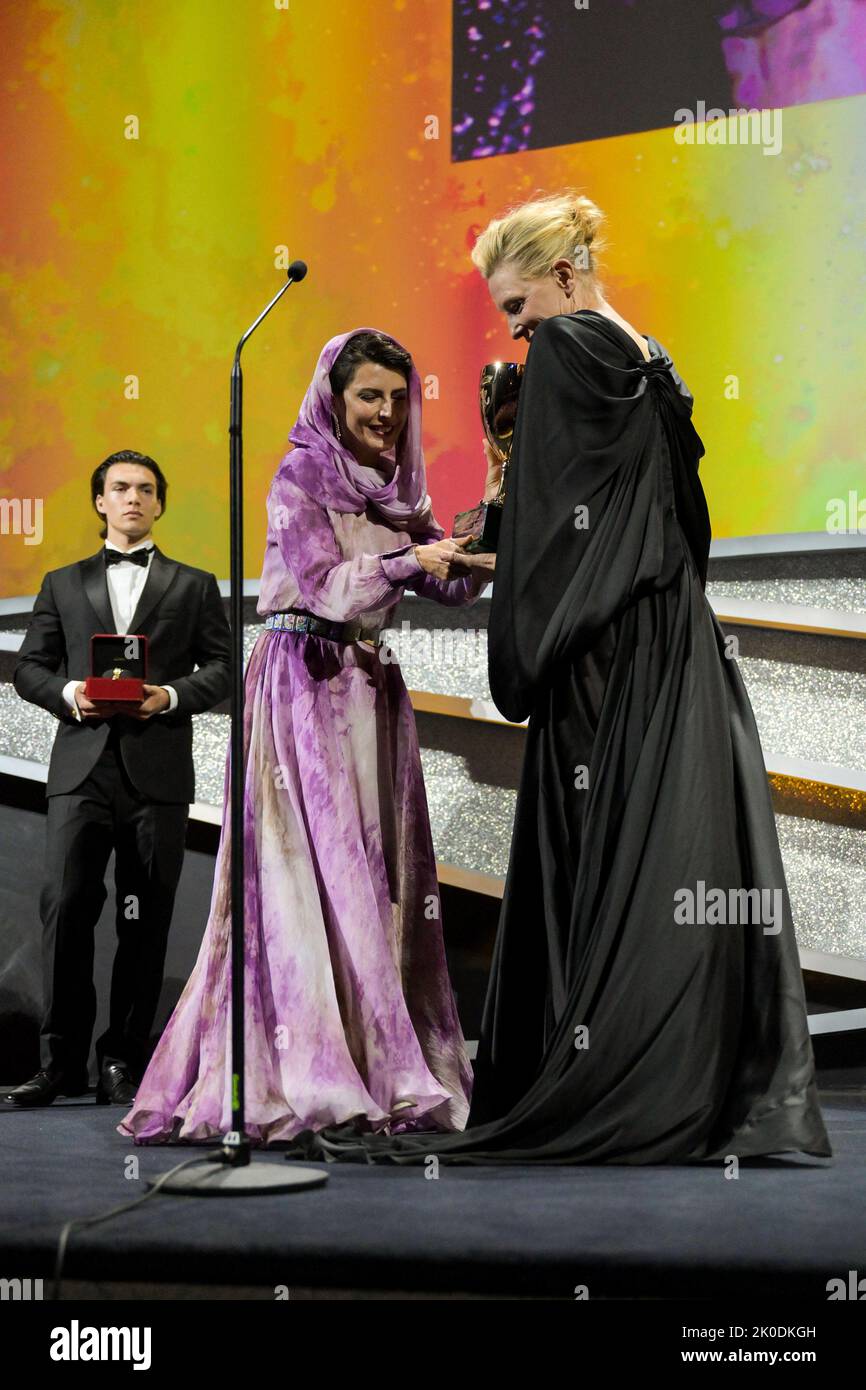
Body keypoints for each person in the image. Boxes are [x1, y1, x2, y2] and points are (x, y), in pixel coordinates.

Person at [284, 192, 832, 1166]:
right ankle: (690, 1086)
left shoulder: (570, 348)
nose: (512, 325)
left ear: (564, 275)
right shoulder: (641, 350)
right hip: (668, 639)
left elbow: (554, 520)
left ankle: (608, 1084)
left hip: (603, 653)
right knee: (660, 856)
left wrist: (498, 568)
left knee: (598, 855)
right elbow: (657, 512)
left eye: (514, 301)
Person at [117, 328, 494, 1145]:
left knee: (375, 877)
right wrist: (412, 560)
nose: (387, 412)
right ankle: (311, 1068)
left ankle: (377, 1057)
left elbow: (449, 586)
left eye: (399, 398)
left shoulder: (397, 493)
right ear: (334, 396)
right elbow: (324, 586)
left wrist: (476, 541)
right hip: (301, 681)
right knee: (305, 878)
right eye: (370, 396)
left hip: (369, 689)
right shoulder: (300, 475)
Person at [5, 450, 231, 1108]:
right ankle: (59, 1063)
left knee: (146, 918)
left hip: (156, 772)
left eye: (145, 489)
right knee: (68, 908)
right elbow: (28, 669)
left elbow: (223, 669)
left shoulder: (194, 585)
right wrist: (72, 691)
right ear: (100, 501)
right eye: (120, 488)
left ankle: (124, 1061)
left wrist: (170, 696)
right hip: (80, 768)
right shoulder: (62, 582)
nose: (133, 498)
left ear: (160, 504)